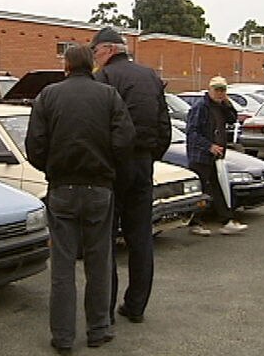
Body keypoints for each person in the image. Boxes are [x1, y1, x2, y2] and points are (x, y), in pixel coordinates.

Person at [26, 44, 135, 354]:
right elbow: (125, 140)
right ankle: (98, 329)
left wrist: (52, 168)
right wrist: (108, 167)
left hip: (62, 188)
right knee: (99, 262)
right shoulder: (109, 96)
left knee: (62, 267)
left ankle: (63, 337)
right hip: (99, 187)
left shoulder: (48, 96)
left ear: (67, 66)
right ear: (92, 66)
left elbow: (34, 145)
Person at [89, 27, 171, 324]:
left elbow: (98, 127)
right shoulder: (150, 76)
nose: (94, 57)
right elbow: (164, 125)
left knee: (105, 240)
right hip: (143, 163)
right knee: (141, 237)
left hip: (113, 167)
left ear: (109, 49)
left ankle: (105, 309)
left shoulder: (104, 78)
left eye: (95, 51)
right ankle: (136, 305)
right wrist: (150, 155)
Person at [185, 76, 248, 236]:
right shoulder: (200, 107)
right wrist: (209, 146)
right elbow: (192, 132)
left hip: (215, 156)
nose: (220, 93)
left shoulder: (221, 106)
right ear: (210, 90)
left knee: (217, 188)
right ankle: (195, 222)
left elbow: (232, 119)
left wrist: (228, 103)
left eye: (223, 90)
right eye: (217, 90)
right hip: (200, 156)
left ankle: (226, 220)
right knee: (201, 189)